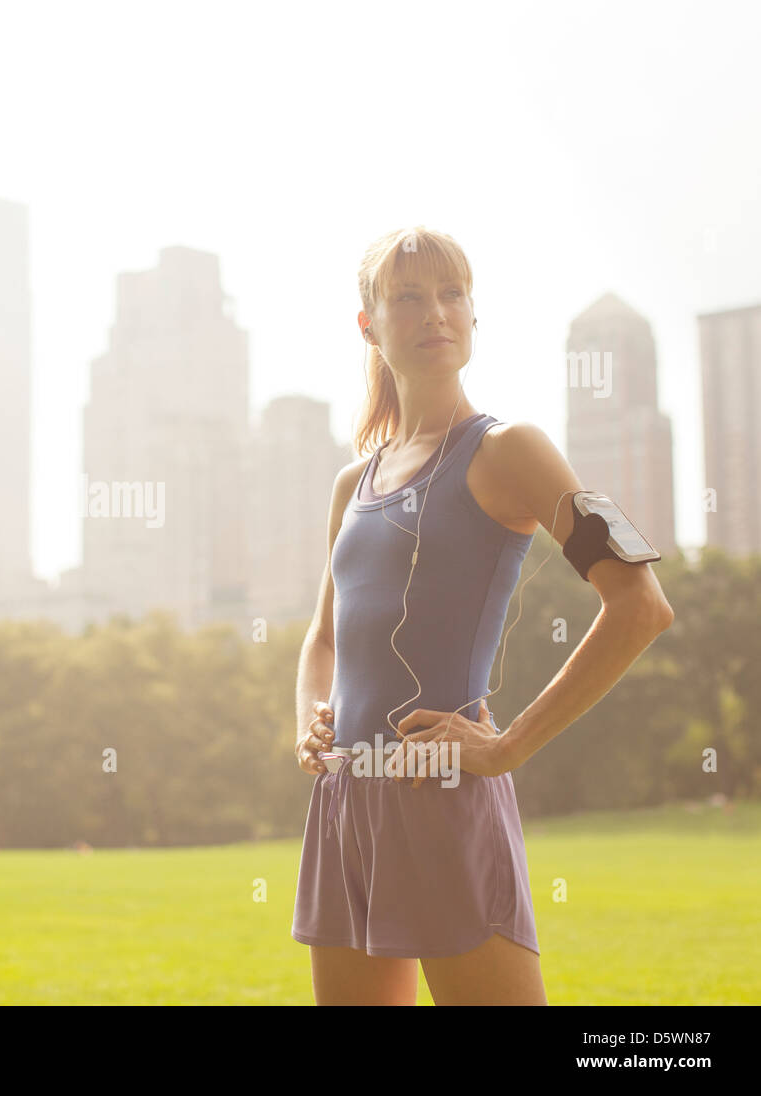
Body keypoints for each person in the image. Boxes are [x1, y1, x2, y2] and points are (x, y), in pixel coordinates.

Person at [289, 226, 674, 1005]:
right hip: (346, 804)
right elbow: (324, 636)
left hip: (444, 796)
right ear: (368, 324)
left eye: (452, 293)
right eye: (409, 297)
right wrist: (309, 719)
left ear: (472, 314)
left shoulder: (511, 450)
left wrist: (506, 747)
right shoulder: (350, 485)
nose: (436, 312)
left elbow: (641, 606)